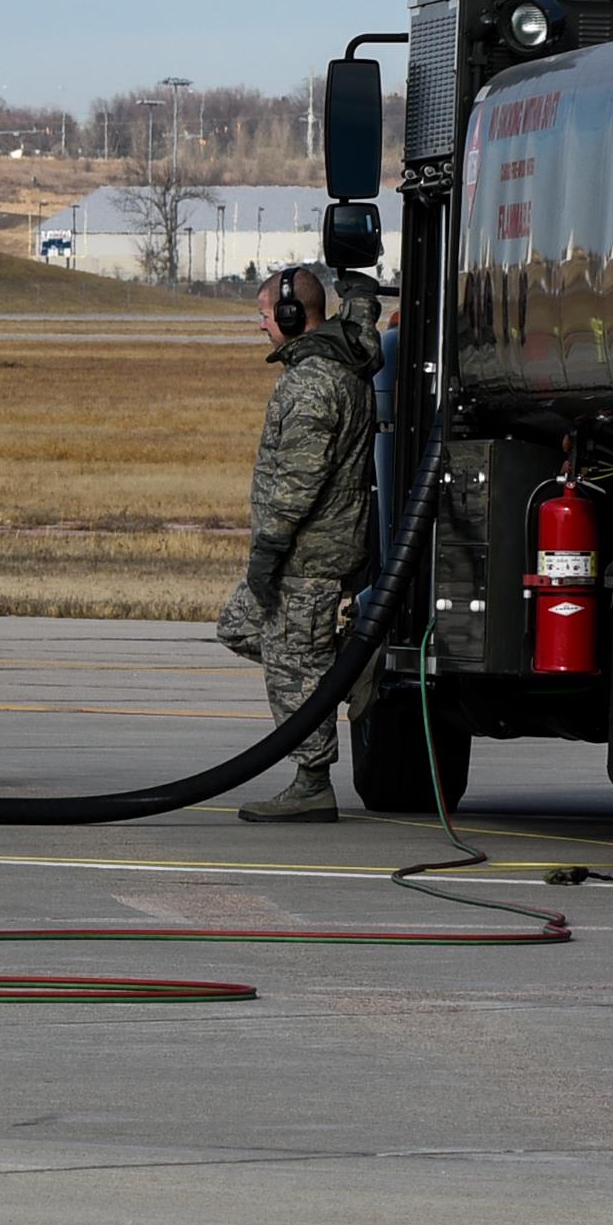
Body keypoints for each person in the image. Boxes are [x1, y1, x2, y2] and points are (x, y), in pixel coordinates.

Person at [221, 262, 378, 821]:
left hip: (309, 555)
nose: (261, 325)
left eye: (266, 314)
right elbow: (362, 330)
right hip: (310, 549)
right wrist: (362, 301)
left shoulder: (312, 382)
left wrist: (267, 553)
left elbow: (298, 480)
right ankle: (349, 667)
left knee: (292, 664)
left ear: (292, 316)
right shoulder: (340, 359)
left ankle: (312, 782)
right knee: (239, 625)